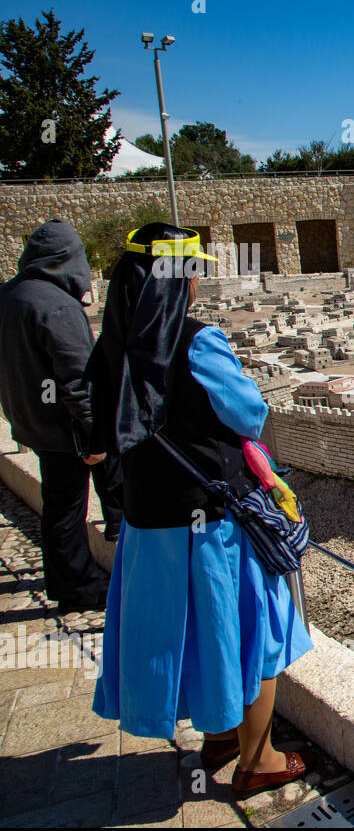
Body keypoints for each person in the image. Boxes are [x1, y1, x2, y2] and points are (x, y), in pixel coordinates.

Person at [88, 223, 314, 796]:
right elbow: (249, 413)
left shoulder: (111, 346)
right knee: (251, 635)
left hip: (147, 525)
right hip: (210, 526)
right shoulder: (196, 341)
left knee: (188, 635)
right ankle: (258, 760)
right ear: (180, 280)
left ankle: (218, 736)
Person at [0, 219, 124, 611]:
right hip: (64, 428)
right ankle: (78, 588)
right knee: (67, 509)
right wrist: (95, 434)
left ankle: (79, 570)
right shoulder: (56, 305)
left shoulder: (9, 295)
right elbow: (78, 380)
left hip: (30, 420)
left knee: (60, 505)